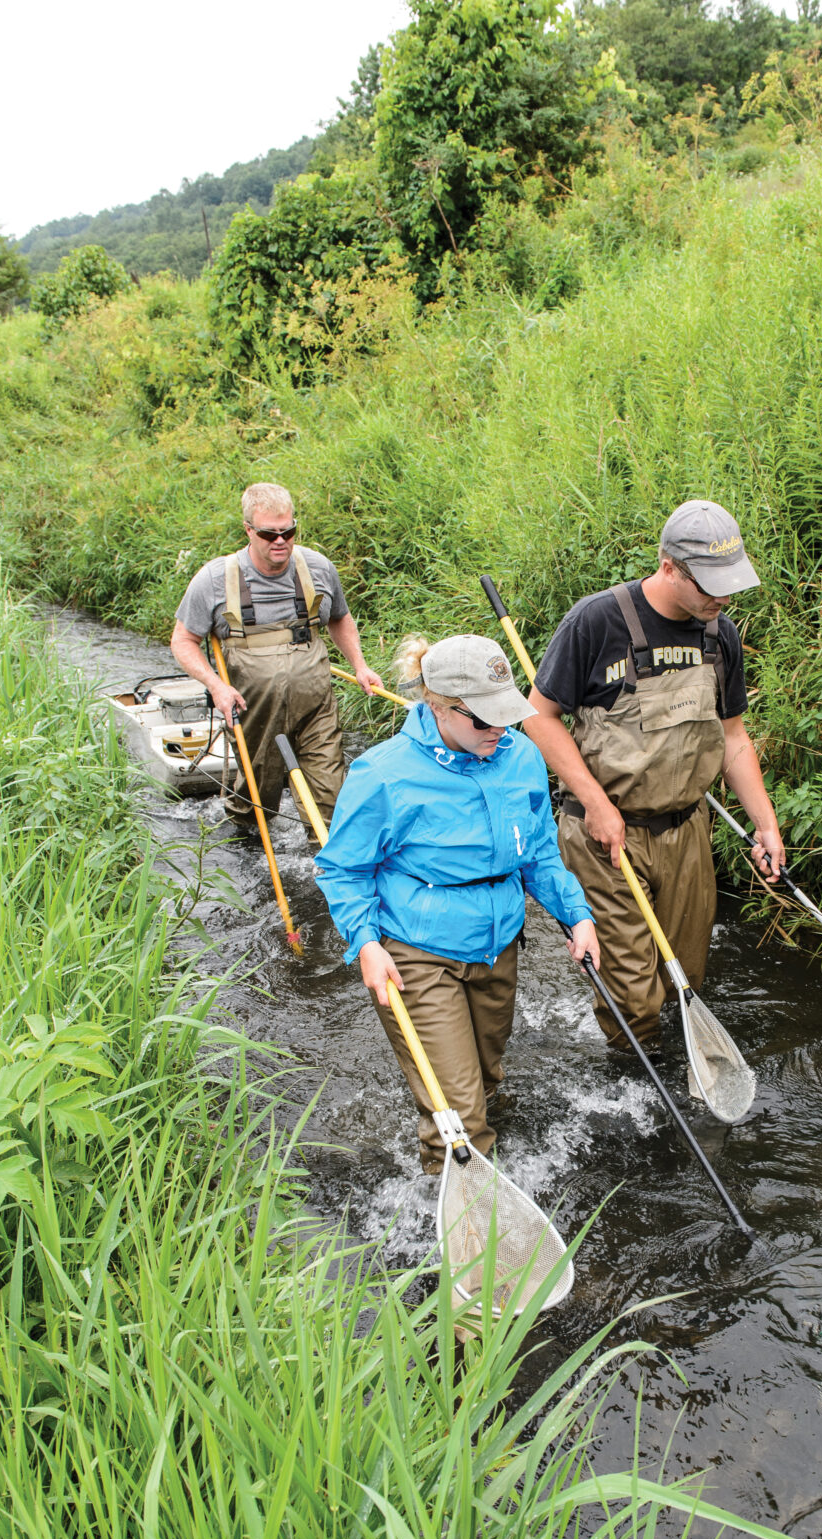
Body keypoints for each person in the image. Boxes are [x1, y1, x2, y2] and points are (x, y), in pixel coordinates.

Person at [314, 633, 599, 1172]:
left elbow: (537, 853)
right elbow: (342, 869)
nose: (500, 730)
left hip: (497, 945)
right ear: (440, 707)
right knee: (460, 1119)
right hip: (416, 952)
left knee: (487, 1080)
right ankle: (461, 1219)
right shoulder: (383, 774)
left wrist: (576, 915)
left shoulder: (520, 760)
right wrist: (367, 944)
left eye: (506, 716)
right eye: (483, 720)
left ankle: (463, 1153)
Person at [524, 499, 785, 1050]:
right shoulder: (596, 621)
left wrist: (764, 822)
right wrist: (595, 803)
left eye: (730, 583)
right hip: (606, 836)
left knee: (682, 979)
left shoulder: (721, 634)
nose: (723, 597)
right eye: (710, 584)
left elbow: (733, 736)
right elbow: (539, 718)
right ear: (669, 566)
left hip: (687, 832)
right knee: (635, 1003)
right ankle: (632, 1092)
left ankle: (658, 1068)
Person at [169, 482, 385, 836]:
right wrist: (216, 687)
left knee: (331, 801)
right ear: (249, 531)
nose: (281, 541)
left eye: (289, 532)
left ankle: (327, 869)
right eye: (270, 534)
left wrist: (360, 666)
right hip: (253, 712)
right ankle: (244, 842)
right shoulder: (214, 580)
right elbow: (183, 640)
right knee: (257, 800)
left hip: (315, 706)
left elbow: (340, 618)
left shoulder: (317, 568)